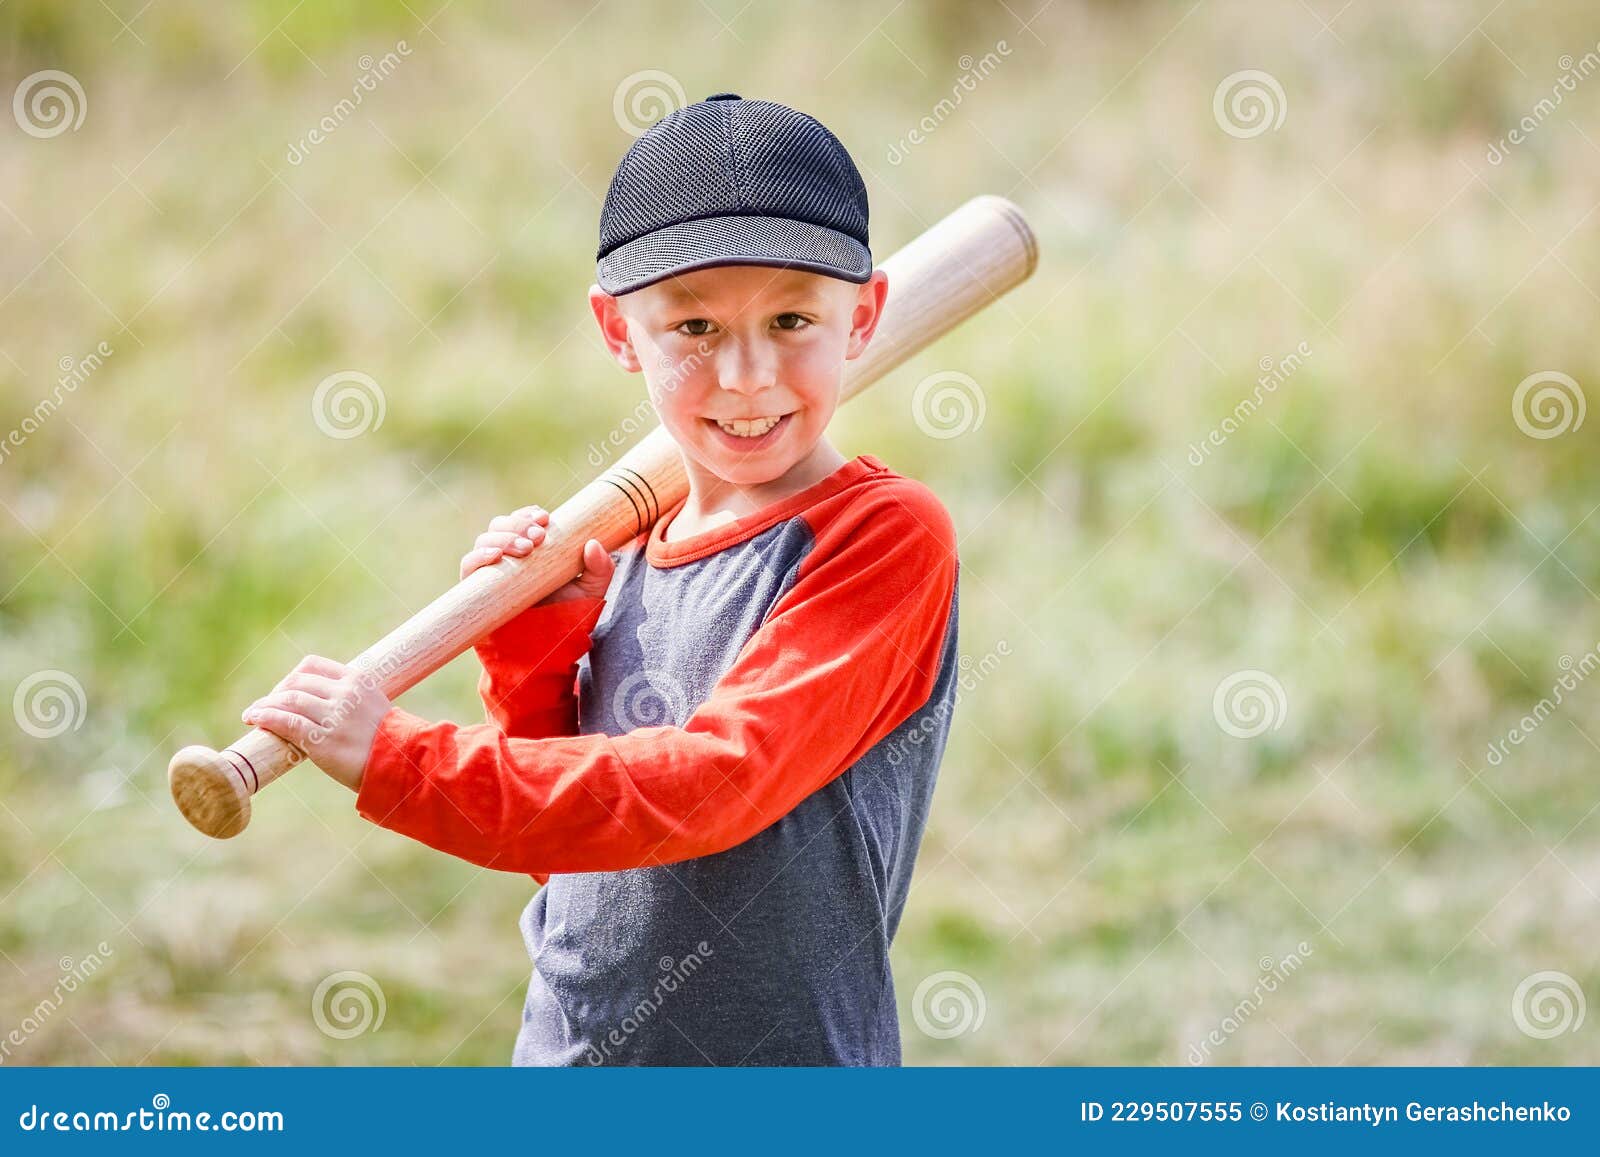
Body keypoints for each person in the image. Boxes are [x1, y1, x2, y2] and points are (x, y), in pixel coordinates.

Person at [242, 92, 962, 1065]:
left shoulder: (878, 536)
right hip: (571, 1055)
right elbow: (577, 852)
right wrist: (536, 655)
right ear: (619, 331)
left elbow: (715, 784)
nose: (747, 375)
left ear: (864, 314)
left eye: (792, 317)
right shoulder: (619, 541)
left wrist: (403, 760)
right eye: (694, 327)